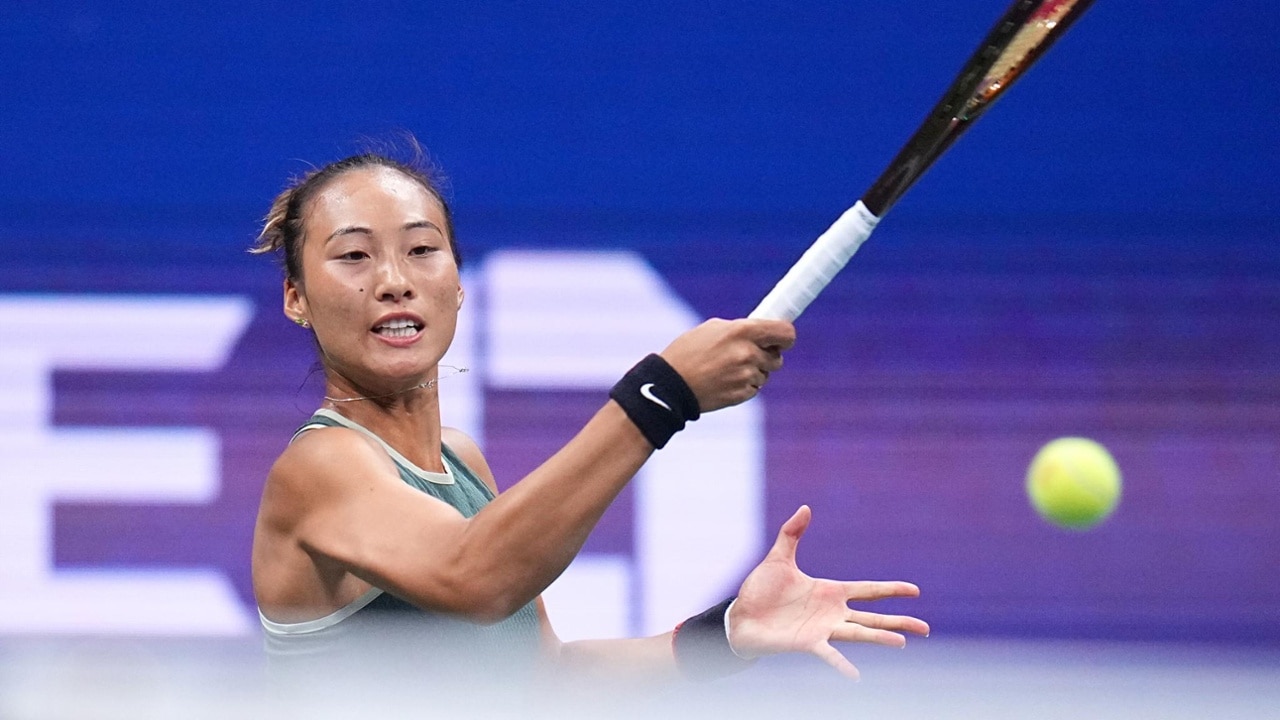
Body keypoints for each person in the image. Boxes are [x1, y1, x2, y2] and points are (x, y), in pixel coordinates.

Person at [248, 147, 928, 688]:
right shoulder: (322, 466)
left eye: (422, 249)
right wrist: (663, 394)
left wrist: (724, 635)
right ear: (295, 297)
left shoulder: (460, 463)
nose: (393, 279)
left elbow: (545, 684)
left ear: (457, 283)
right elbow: (472, 577)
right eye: (353, 256)